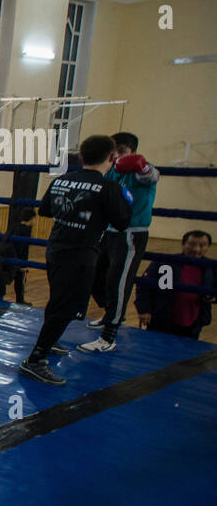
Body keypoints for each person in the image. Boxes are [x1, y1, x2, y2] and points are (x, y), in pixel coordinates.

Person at [18, 135, 132, 386]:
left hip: (55, 248)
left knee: (59, 300)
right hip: (81, 254)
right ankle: (35, 361)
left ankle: (51, 339)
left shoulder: (62, 179)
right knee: (65, 306)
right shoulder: (108, 187)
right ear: (112, 158)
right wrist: (125, 197)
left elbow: (46, 209)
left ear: (81, 158)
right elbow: (123, 222)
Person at [81, 132, 160, 352]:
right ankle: (111, 315)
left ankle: (108, 337)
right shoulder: (112, 172)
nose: (117, 155)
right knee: (96, 276)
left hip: (131, 233)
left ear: (133, 152)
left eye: (122, 151)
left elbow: (152, 176)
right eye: (114, 151)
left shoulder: (142, 171)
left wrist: (141, 166)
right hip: (109, 231)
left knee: (119, 281)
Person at [134, 229, 215, 339]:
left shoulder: (210, 268)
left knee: (188, 355)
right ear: (183, 244)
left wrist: (212, 298)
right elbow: (144, 285)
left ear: (208, 247)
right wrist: (144, 310)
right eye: (191, 244)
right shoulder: (165, 262)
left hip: (194, 323)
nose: (196, 249)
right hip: (162, 320)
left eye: (202, 245)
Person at [9, 207, 37, 304]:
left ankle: (20, 300)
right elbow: (23, 248)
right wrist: (23, 264)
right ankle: (20, 300)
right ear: (32, 218)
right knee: (19, 280)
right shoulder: (26, 230)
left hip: (9, 256)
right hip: (17, 258)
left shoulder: (15, 226)